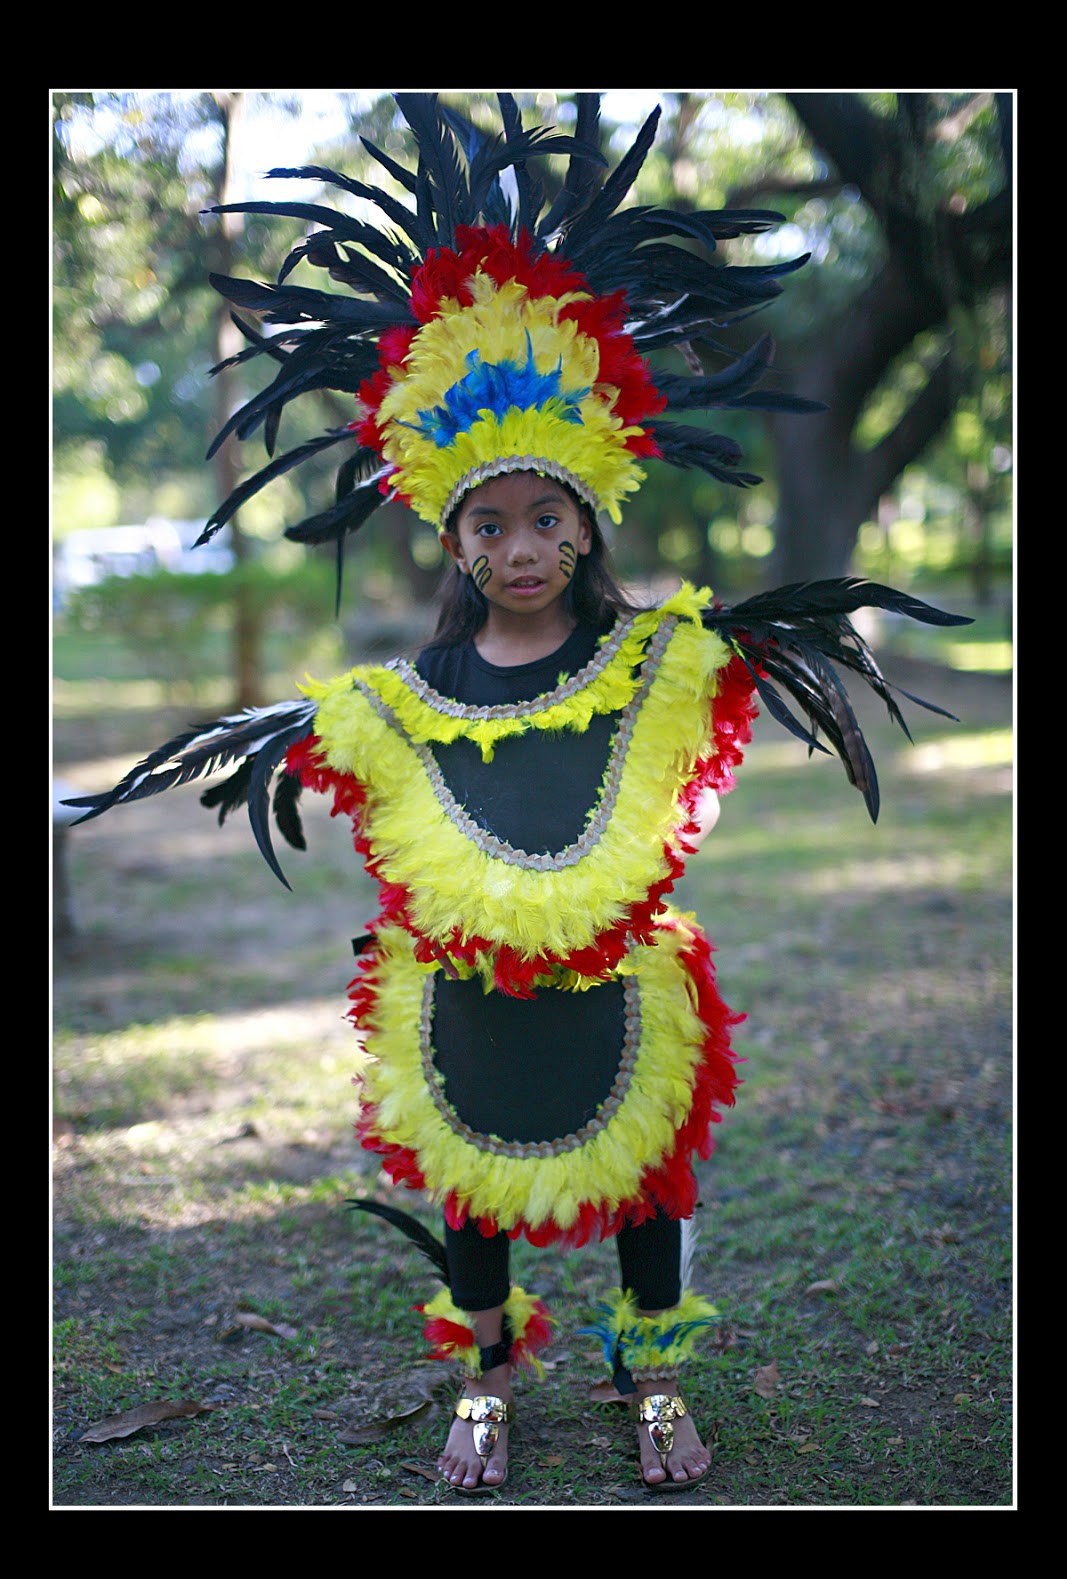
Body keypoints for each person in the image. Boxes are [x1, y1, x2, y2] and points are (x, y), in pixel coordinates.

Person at [66, 94, 970, 1497]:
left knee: (653, 1191)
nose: (525, 544)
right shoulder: (405, 695)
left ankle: (654, 1378)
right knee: (476, 1183)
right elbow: (357, 795)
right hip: (471, 1000)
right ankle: (484, 1387)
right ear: (455, 534)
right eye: (493, 522)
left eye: (550, 516)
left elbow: (696, 789)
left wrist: (673, 819)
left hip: (619, 983)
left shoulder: (659, 660)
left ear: (590, 519)